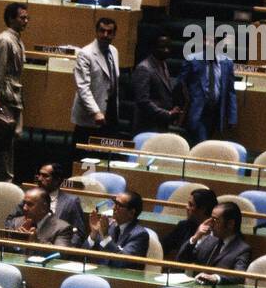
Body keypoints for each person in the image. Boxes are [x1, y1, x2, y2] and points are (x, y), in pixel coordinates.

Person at [0, 3, 28, 182]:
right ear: (11, 18)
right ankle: (5, 181)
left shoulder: (17, 39)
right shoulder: (4, 40)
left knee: (11, 139)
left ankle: (4, 179)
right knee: (5, 142)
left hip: (14, 94)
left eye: (27, 18)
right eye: (22, 18)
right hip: (5, 96)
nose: (26, 21)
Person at [71, 18, 122, 152]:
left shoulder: (114, 51)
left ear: (114, 34)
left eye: (109, 32)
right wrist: (95, 112)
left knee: (104, 157)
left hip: (109, 113)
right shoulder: (85, 53)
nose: (105, 35)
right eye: (102, 31)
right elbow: (83, 87)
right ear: (96, 32)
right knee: (83, 159)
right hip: (91, 116)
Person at [177, 201, 251, 284]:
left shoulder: (242, 249)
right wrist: (195, 238)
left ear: (230, 224)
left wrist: (216, 278)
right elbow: (182, 259)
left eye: (215, 220)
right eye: (211, 219)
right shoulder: (209, 239)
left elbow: (239, 276)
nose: (211, 224)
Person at [179, 48, 237, 145]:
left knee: (206, 142)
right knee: (202, 143)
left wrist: (232, 117)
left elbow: (230, 91)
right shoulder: (192, 60)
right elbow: (180, 84)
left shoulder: (227, 62)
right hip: (198, 111)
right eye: (206, 40)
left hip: (216, 112)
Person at [81, 191, 150, 269]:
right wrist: (93, 233)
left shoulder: (140, 235)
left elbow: (122, 263)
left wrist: (106, 236)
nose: (113, 208)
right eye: (114, 203)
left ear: (131, 212)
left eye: (119, 205)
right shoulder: (109, 225)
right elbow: (83, 255)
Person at [131, 33, 185, 134]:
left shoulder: (163, 63)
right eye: (162, 47)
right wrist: (167, 114)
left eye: (168, 47)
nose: (166, 50)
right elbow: (143, 101)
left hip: (159, 124)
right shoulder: (144, 68)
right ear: (153, 47)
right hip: (147, 125)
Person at [6, 187, 78, 246]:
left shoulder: (62, 229)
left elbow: (60, 255)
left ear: (43, 208)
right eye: (24, 203)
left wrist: (36, 242)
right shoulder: (16, 222)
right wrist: (13, 240)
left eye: (30, 204)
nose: (24, 208)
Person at [161, 187, 218, 258]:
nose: (187, 207)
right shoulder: (183, 226)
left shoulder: (217, 232)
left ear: (203, 209)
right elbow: (162, 247)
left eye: (191, 205)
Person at [35, 163, 87, 234]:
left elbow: (79, 232)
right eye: (39, 175)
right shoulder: (29, 197)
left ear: (57, 180)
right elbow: (15, 220)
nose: (40, 179)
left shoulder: (71, 202)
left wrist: (64, 244)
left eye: (45, 176)